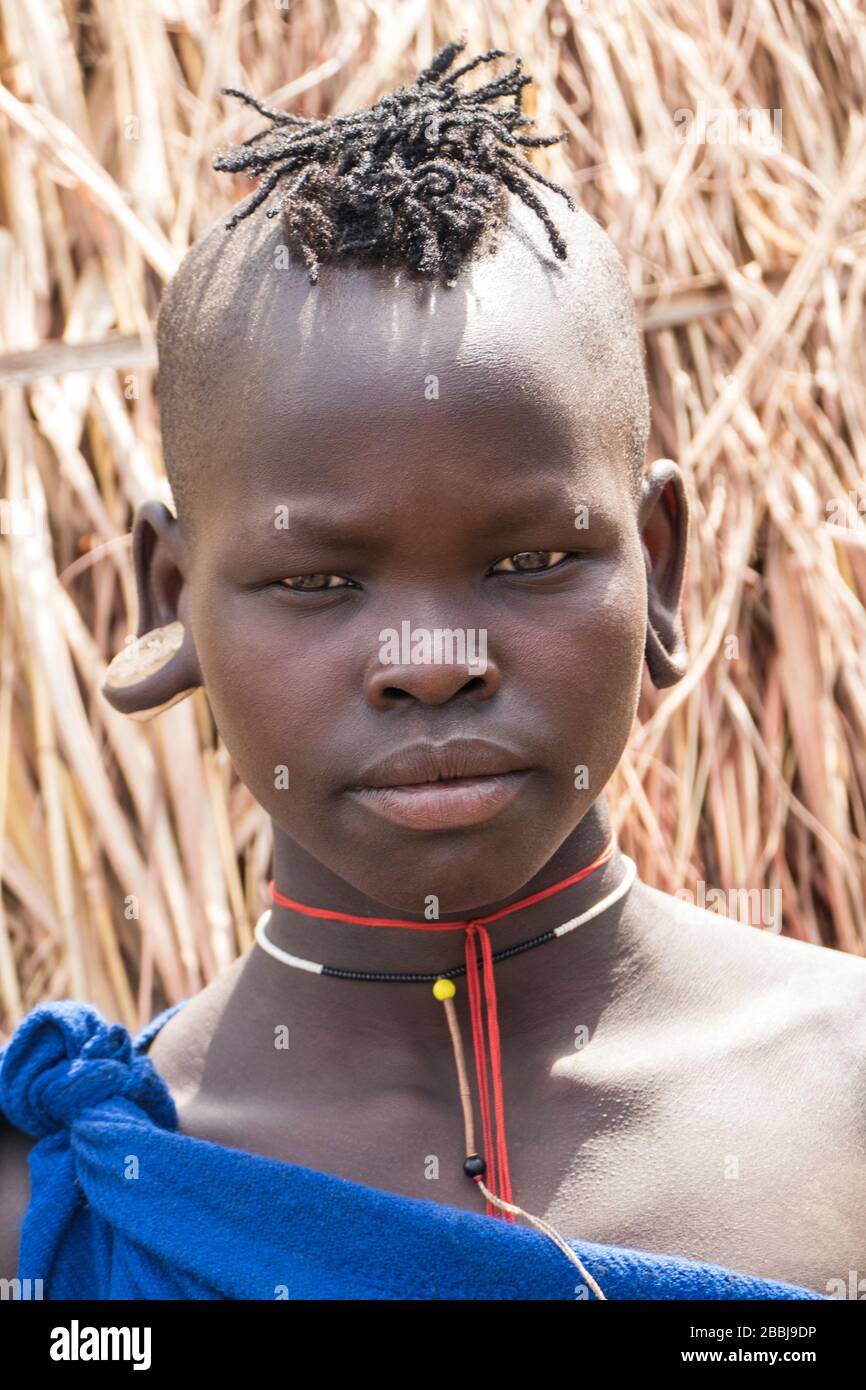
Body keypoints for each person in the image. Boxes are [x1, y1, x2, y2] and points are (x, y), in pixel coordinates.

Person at [1, 40, 861, 1301]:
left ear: (661, 570)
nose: (429, 664)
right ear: (165, 597)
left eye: (527, 558)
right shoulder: (66, 1207)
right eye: (315, 580)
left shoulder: (844, 1091)